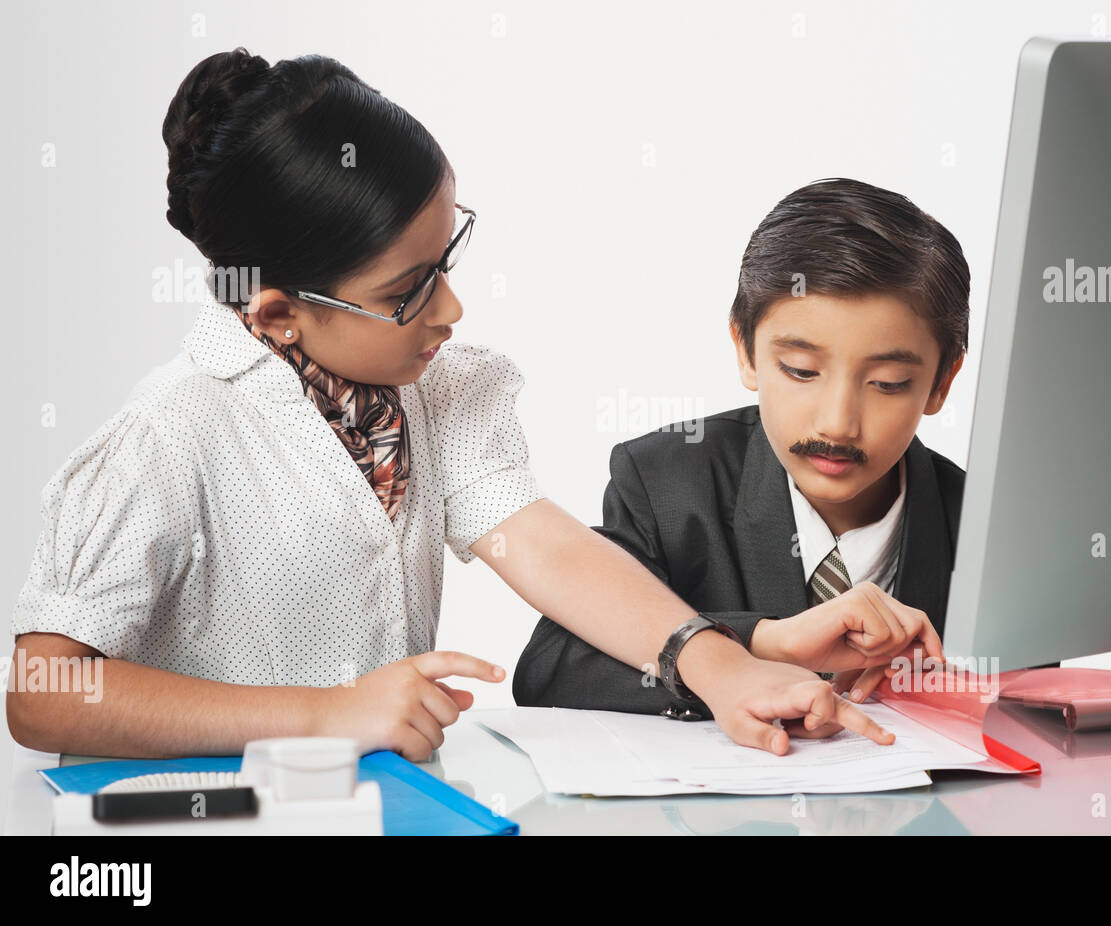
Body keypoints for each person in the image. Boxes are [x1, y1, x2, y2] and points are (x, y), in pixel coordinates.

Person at [7, 50, 940, 762]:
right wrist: (325, 714)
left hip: (372, 808)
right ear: (281, 312)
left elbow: (543, 546)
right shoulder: (172, 432)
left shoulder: (443, 396)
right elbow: (43, 690)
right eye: (411, 290)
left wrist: (715, 660)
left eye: (446, 261)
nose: (450, 311)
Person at [515, 178, 969, 717]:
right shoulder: (667, 483)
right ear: (747, 353)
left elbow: (1031, 706)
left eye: (889, 382)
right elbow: (552, 670)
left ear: (941, 382)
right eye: (801, 371)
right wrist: (753, 646)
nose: (838, 423)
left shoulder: (983, 523)